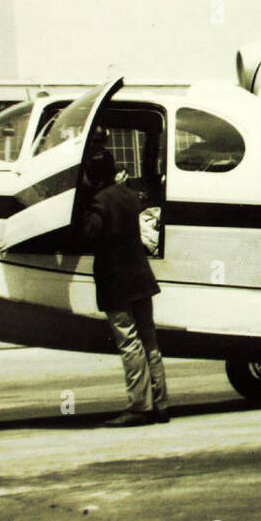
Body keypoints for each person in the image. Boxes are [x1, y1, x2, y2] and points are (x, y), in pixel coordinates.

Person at [77, 144, 169, 427]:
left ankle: (139, 407)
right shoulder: (129, 196)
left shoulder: (99, 201)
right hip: (141, 277)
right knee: (149, 340)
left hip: (116, 281)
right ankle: (160, 403)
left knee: (129, 343)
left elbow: (89, 235)